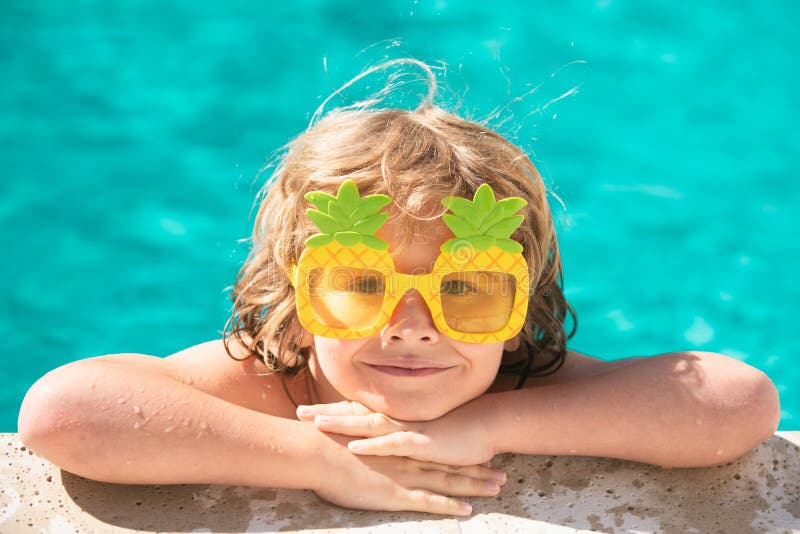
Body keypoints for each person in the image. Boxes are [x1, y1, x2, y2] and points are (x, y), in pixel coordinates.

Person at [17, 59, 780, 517]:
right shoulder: (271, 381)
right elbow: (65, 413)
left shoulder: (517, 384)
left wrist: (477, 431)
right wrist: (312, 459)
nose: (413, 327)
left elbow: (735, 402)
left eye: (468, 290)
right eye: (358, 285)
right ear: (293, 302)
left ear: (520, 313)